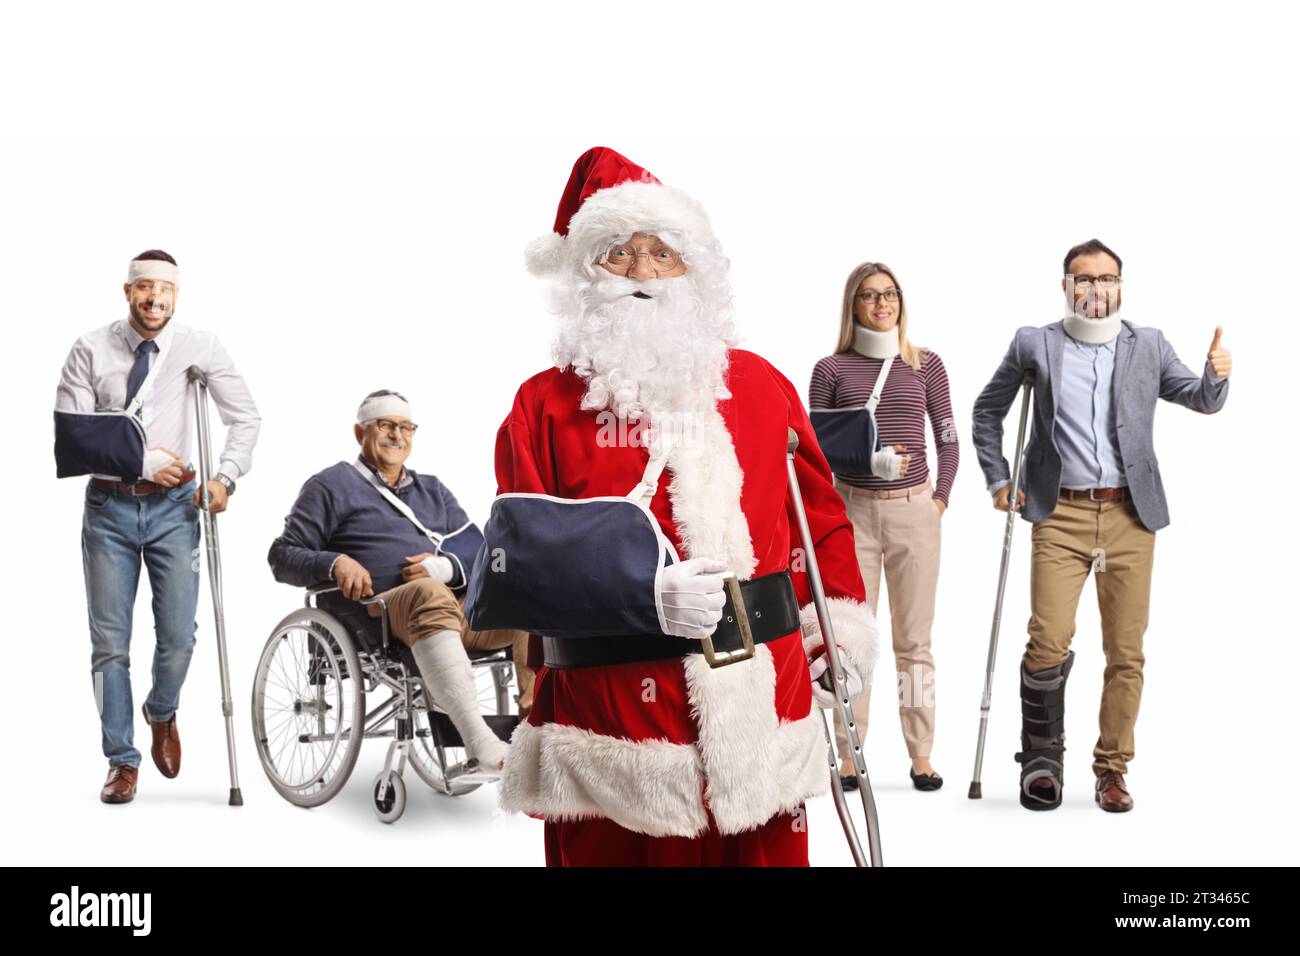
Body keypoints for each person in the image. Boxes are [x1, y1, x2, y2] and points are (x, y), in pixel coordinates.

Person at [469, 146, 879, 866]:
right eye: (618, 255)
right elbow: (516, 566)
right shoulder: (542, 403)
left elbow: (820, 521)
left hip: (762, 712)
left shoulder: (760, 386)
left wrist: (836, 636)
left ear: (698, 272)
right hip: (613, 730)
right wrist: (642, 594)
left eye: (663, 253)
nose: (643, 274)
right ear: (584, 278)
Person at [971, 238, 1231, 812]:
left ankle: (1111, 770)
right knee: (1049, 639)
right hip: (1058, 512)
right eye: (1083, 279)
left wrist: (1216, 377)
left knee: (1125, 651)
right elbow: (988, 409)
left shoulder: (1150, 346)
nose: (1095, 289)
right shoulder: (1034, 343)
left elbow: (1201, 400)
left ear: (1121, 285)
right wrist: (997, 479)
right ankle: (1041, 760)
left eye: (1106, 278)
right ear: (1065, 286)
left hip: (1129, 515)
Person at [55, 249, 262, 804]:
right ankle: (121, 760)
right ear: (127, 292)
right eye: (144, 288)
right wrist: (141, 461)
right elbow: (75, 438)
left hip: (176, 509)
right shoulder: (90, 349)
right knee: (110, 645)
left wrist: (225, 478)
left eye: (164, 290)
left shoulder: (201, 346)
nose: (154, 299)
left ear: (177, 294)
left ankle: (161, 710)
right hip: (109, 509)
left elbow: (245, 417)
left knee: (178, 636)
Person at [267, 389, 532, 773]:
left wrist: (445, 568)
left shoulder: (432, 490)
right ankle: (480, 741)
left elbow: (479, 549)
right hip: (378, 614)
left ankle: (534, 731)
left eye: (406, 427)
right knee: (427, 593)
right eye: (386, 425)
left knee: (528, 598)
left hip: (452, 608)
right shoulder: (329, 486)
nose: (397, 435)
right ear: (360, 433)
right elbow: (281, 556)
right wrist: (335, 561)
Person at [809, 261, 959, 792]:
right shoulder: (831, 370)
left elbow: (947, 438)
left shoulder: (926, 365)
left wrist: (938, 501)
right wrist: (867, 464)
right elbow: (815, 449)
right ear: (854, 305)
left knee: (915, 643)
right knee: (853, 639)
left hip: (915, 512)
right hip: (853, 515)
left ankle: (922, 755)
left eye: (890, 294)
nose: (882, 304)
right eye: (870, 296)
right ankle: (851, 755)